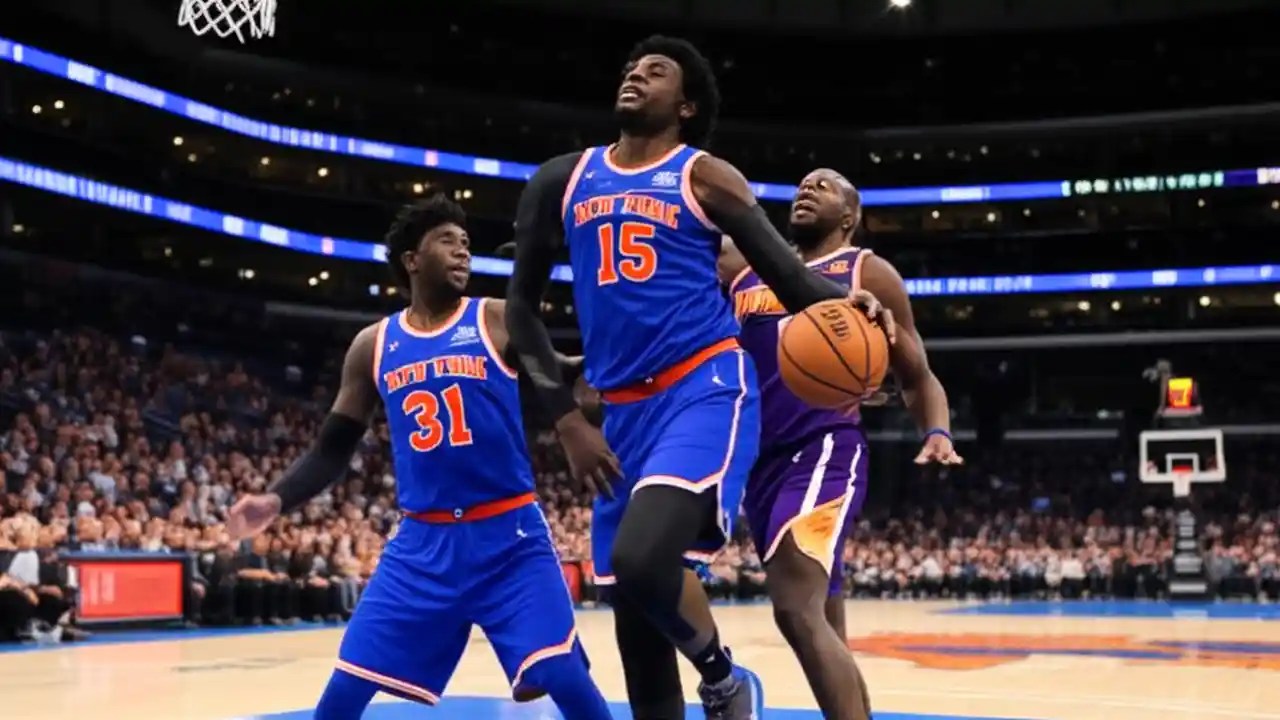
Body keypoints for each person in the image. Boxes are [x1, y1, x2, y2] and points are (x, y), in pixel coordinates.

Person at [506, 35, 885, 720]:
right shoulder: (560, 179)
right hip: (618, 414)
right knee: (639, 631)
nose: (634, 75)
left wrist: (846, 306)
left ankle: (722, 679)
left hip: (704, 387)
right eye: (630, 67)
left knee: (646, 560)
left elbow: (791, 278)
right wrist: (567, 422)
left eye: (654, 72)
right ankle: (703, 683)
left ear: (684, 105)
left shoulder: (707, 176)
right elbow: (520, 314)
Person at [226, 194, 612, 720]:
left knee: (565, 676)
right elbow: (332, 447)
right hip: (422, 545)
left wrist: (598, 378)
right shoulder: (373, 345)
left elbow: (562, 369)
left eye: (467, 243)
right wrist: (276, 499)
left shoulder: (496, 318)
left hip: (509, 537)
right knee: (342, 693)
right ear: (412, 259)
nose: (462, 252)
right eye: (447, 241)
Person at [719, 168, 962, 720]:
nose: (806, 189)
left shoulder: (867, 271)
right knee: (824, 622)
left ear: (850, 215)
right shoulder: (747, 267)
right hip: (758, 463)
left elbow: (917, 374)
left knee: (793, 606)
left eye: (824, 186)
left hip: (824, 448)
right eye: (801, 184)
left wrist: (938, 430)